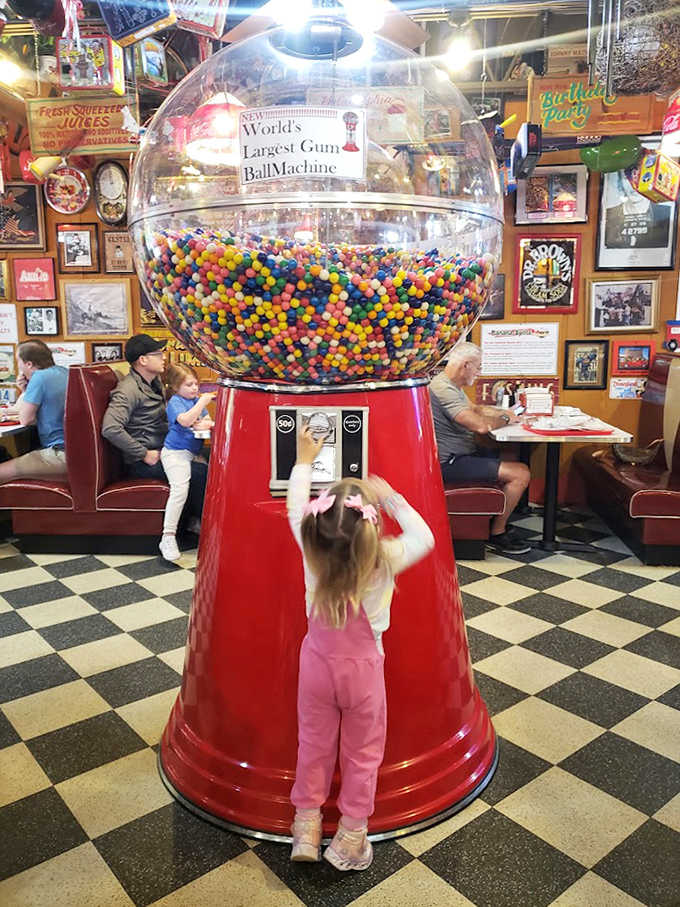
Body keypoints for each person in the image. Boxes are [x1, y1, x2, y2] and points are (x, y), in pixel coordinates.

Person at [287, 427, 434, 870]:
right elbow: (425, 537)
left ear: (316, 527)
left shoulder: (310, 549)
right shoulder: (385, 558)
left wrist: (303, 459)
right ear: (371, 527)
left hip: (315, 665)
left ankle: (306, 828)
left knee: (312, 744)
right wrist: (391, 498)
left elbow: (295, 507)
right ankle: (350, 838)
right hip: (364, 674)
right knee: (362, 752)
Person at [430, 343, 531, 555]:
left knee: (503, 456)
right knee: (521, 473)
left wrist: (506, 412)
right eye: (478, 368)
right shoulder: (442, 388)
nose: (479, 373)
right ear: (466, 365)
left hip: (460, 454)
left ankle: (493, 520)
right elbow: (480, 425)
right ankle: (497, 533)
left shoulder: (450, 385)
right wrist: (504, 417)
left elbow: (475, 409)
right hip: (448, 462)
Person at [101, 334, 207, 533]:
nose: (163, 357)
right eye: (158, 354)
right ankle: (203, 527)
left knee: (208, 460)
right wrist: (143, 454)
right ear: (143, 360)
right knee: (200, 473)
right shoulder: (128, 390)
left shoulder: (155, 381)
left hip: (165, 450)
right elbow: (110, 428)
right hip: (142, 461)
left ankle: (194, 521)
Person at [159, 364, 215, 562]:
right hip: (174, 454)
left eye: (196, 383)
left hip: (192, 453)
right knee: (179, 489)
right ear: (175, 387)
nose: (194, 388)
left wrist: (200, 416)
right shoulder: (176, 401)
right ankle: (168, 536)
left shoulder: (194, 401)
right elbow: (184, 421)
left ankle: (196, 522)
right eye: (188, 384)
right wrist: (202, 403)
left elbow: (207, 421)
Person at [0, 340, 68, 484]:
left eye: (18, 362)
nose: (18, 367)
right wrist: (26, 390)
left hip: (59, 453)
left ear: (29, 364)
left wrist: (28, 388)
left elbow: (26, 419)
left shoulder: (39, 377)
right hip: (74, 452)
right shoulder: (63, 371)